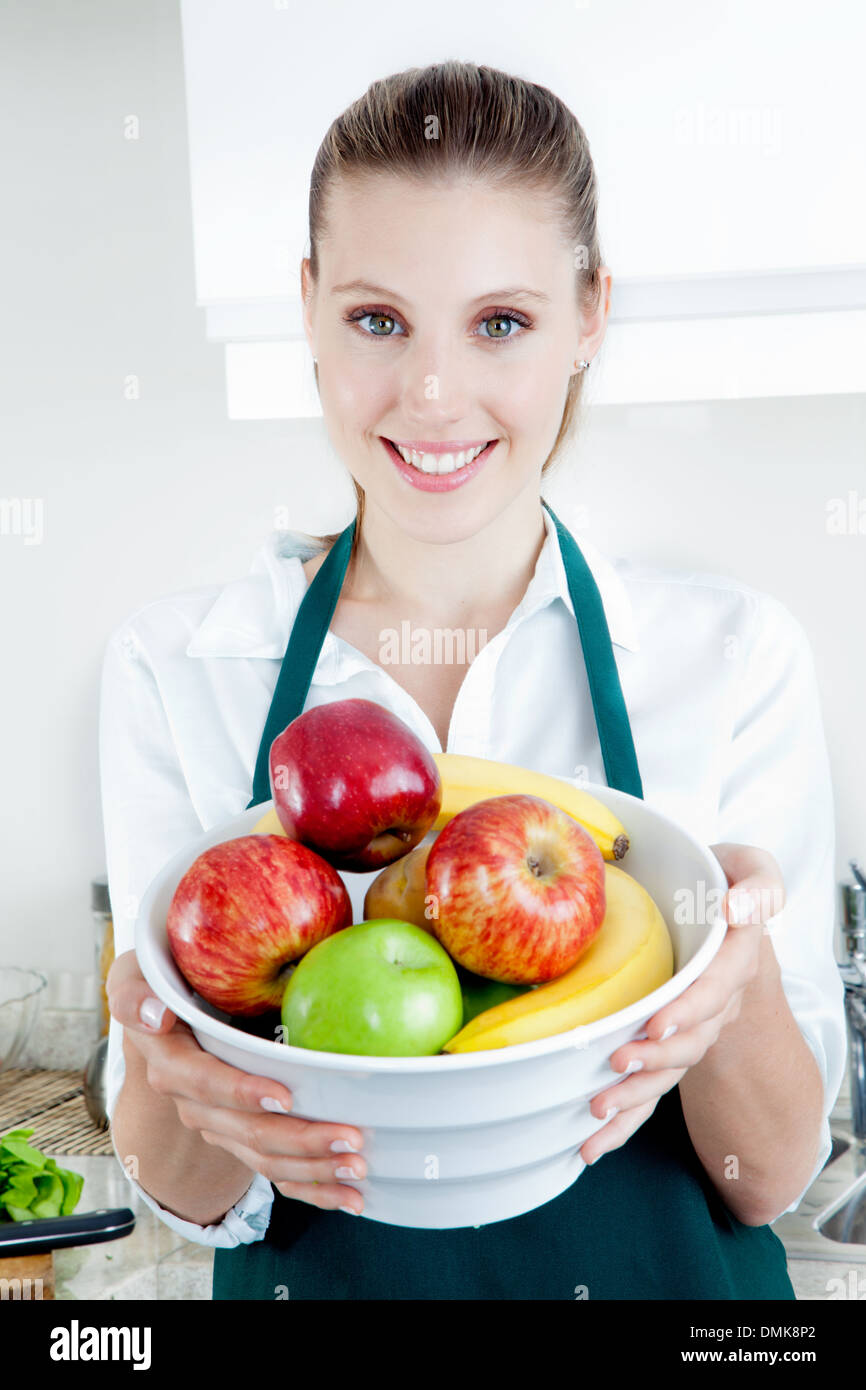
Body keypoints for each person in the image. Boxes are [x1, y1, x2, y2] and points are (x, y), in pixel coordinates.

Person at [102, 61, 846, 1300]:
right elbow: (187, 1195)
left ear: (589, 314)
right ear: (306, 307)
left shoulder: (730, 660)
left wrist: (738, 953)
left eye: (499, 322)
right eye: (377, 320)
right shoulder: (180, 667)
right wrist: (162, 1044)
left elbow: (762, 1179)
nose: (433, 395)